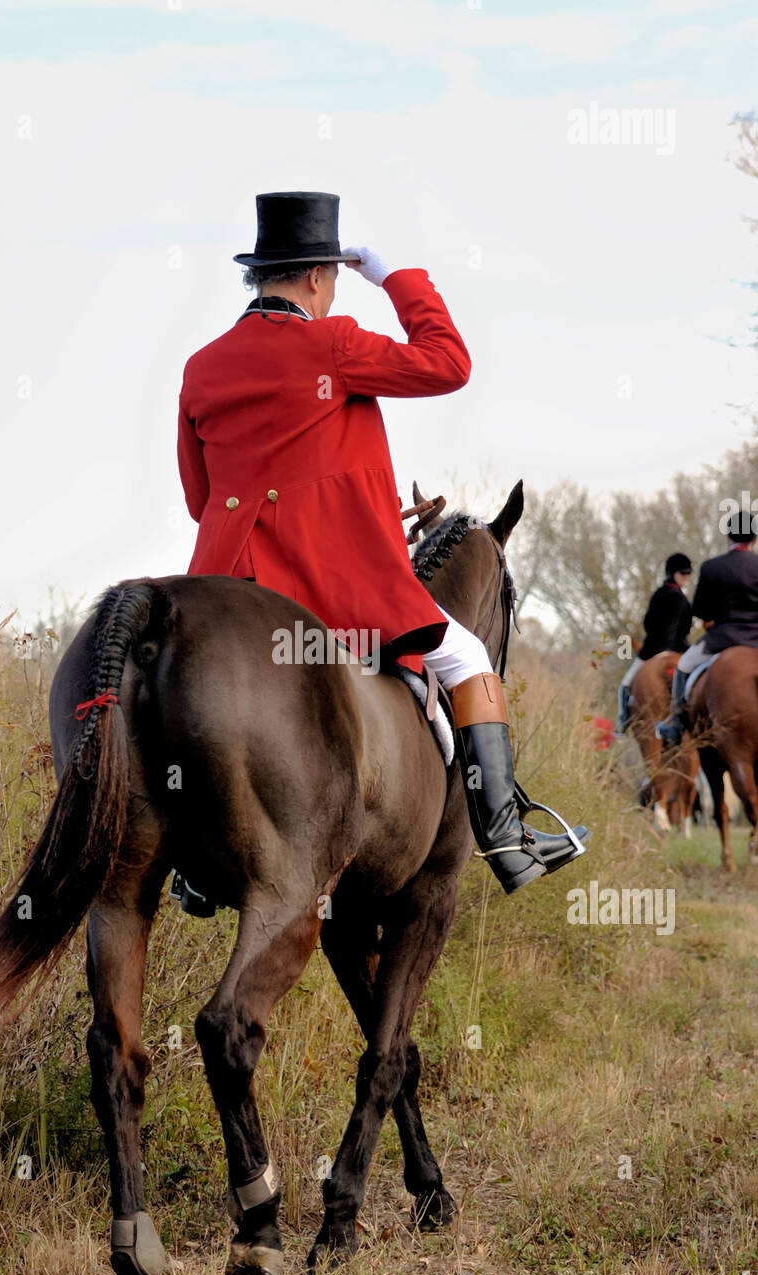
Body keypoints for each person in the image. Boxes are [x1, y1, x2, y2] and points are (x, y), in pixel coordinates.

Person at [176, 190, 586, 898]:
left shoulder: (202, 365)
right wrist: (396, 277)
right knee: (467, 655)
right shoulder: (332, 343)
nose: (335, 290)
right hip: (329, 594)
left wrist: (343, 507)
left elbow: (200, 500)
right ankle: (507, 838)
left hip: (226, 589)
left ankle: (193, 873)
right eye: (335, 276)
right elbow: (448, 363)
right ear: (316, 277)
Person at [657, 509, 758, 746]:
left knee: (682, 667)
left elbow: (701, 609)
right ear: (754, 538)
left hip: (722, 638)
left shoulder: (712, 567)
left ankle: (675, 726)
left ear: (729, 537)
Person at [614, 553, 692, 735]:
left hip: (651, 649)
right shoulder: (682, 599)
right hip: (679, 649)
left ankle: (623, 719)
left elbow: (648, 623)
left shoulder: (659, 594)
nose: (686, 577)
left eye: (688, 573)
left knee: (625, 684)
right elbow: (682, 629)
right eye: (683, 573)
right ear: (672, 573)